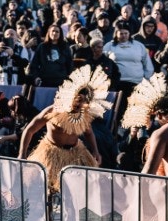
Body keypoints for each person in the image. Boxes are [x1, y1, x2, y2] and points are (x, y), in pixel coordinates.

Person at [18, 66, 108, 194]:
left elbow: (89, 133)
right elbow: (30, 130)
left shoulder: (84, 115)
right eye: (77, 102)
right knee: (48, 188)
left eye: (83, 102)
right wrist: (22, 153)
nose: (79, 105)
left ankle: (71, 211)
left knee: (79, 189)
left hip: (76, 153)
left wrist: (96, 151)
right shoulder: (52, 111)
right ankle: (49, 211)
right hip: (52, 153)